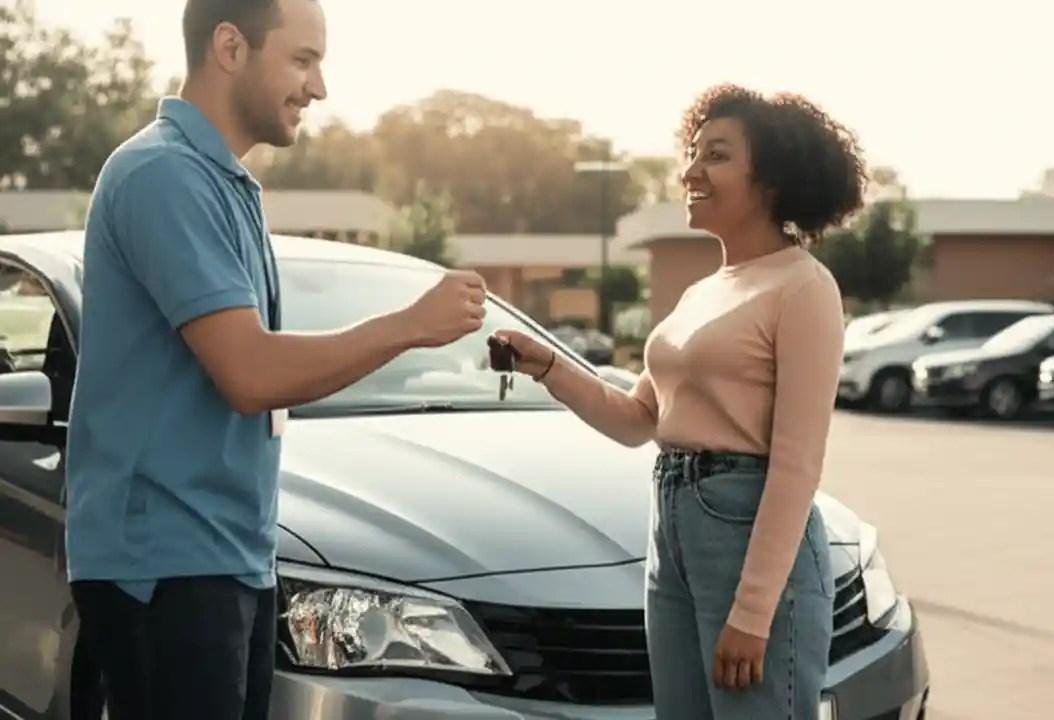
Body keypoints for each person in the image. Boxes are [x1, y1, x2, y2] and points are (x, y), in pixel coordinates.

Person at [63, 1, 487, 718]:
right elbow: (253, 374)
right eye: (302, 59)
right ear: (229, 47)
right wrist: (410, 326)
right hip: (164, 563)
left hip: (228, 556)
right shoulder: (162, 175)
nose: (318, 88)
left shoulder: (221, 183)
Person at [491, 83, 866, 719]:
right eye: (692, 153)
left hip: (747, 537)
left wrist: (754, 611)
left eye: (716, 156)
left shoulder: (805, 287)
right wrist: (548, 365)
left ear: (773, 177)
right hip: (673, 528)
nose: (690, 171)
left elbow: (798, 463)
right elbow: (639, 420)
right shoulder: (703, 292)